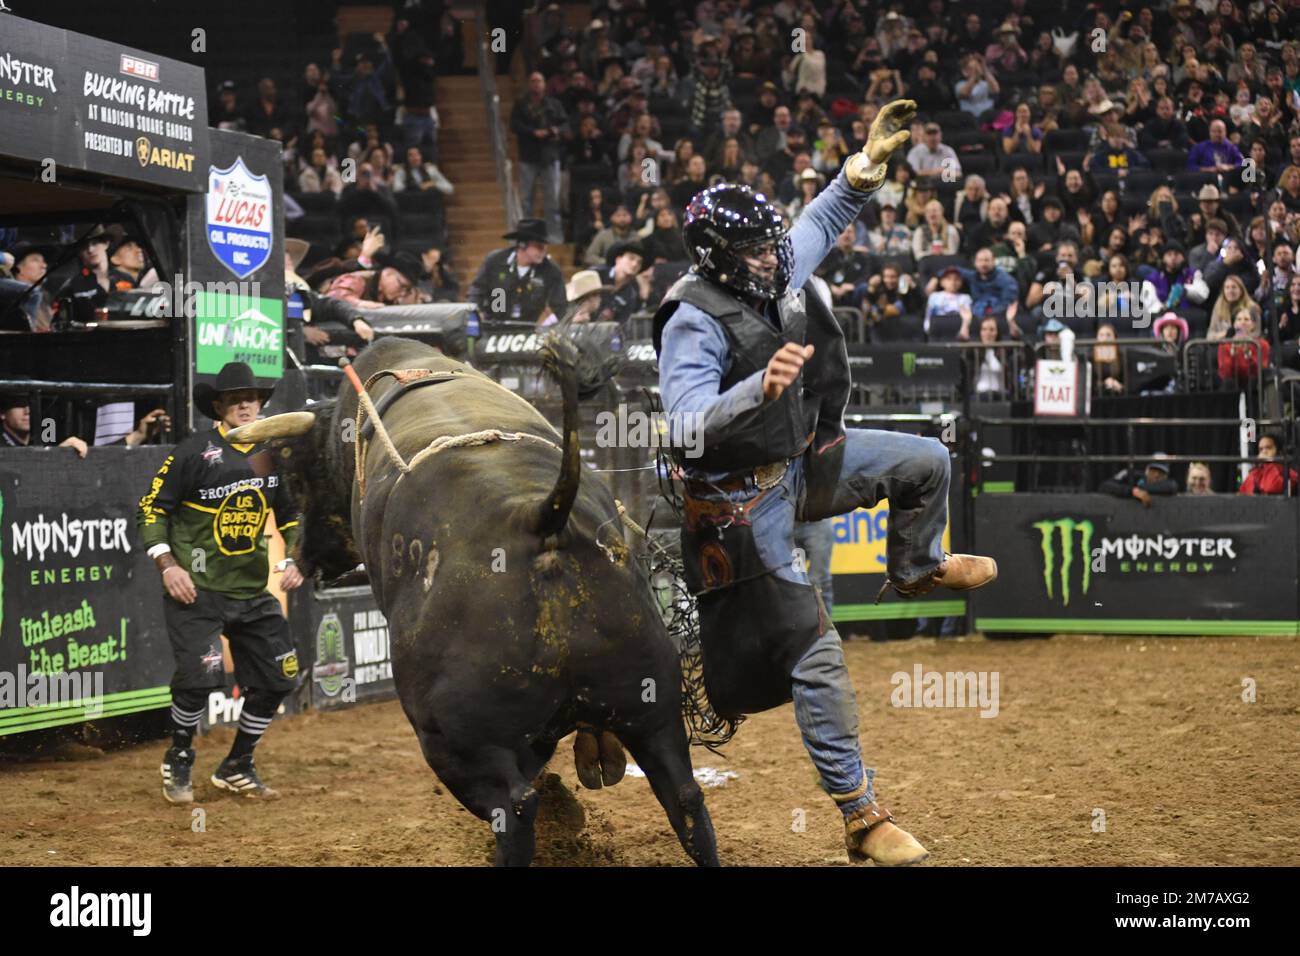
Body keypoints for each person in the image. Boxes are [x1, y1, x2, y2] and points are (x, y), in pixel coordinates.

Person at [653, 98, 996, 867]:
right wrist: (757, 392)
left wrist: (861, 170)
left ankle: (913, 566)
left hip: (803, 464)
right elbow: (680, 423)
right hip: (740, 507)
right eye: (754, 251)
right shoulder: (690, 320)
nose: (774, 257)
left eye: (771, 246)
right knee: (815, 651)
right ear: (716, 257)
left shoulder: (771, 264)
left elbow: (817, 221)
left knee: (927, 462)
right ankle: (862, 816)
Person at [136, 361, 304, 803]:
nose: (246, 404)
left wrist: (294, 556)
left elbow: (290, 515)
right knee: (200, 678)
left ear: (261, 403)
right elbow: (152, 509)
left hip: (252, 591)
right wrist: (168, 564)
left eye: (252, 397)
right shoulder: (192, 452)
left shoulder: (270, 454)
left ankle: (237, 764)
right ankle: (179, 757)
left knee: (279, 677)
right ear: (219, 406)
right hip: (199, 589)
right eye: (235, 398)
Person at [467, 218, 567, 326]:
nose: (543, 252)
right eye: (539, 247)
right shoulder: (495, 261)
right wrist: (477, 316)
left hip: (529, 330)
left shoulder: (550, 270)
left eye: (545, 247)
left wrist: (544, 326)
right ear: (523, 244)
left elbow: (560, 306)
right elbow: (476, 292)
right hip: (494, 327)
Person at [509, 72, 568, 244]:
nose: (536, 84)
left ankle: (554, 235)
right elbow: (514, 125)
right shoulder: (521, 104)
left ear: (544, 84)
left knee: (552, 199)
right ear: (529, 84)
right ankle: (527, 235)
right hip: (528, 155)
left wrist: (552, 131)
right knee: (526, 198)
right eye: (533, 81)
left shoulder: (554, 104)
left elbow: (564, 124)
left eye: (539, 81)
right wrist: (532, 132)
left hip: (549, 155)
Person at [0, 393, 89, 456]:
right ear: (2, 413)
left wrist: (64, 452)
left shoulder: (43, 438)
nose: (27, 411)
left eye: (31, 404)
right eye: (19, 404)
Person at [1099, 457, 1179, 504]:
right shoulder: (1131, 475)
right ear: (1147, 471)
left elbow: (1172, 487)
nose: (1156, 475)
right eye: (1153, 470)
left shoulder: (1169, 484)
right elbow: (1105, 486)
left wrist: (1141, 489)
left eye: (1161, 473)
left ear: (1166, 476)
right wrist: (1134, 491)